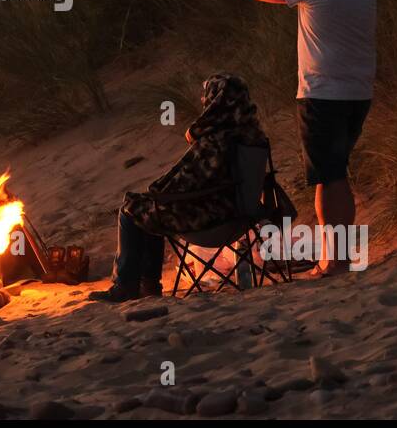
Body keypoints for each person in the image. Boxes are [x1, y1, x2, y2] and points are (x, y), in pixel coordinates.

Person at [243, 0, 376, 277]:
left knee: (327, 178)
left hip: (323, 95)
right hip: (358, 93)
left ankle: (333, 262)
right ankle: (341, 257)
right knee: (337, 174)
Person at [91, 73, 270, 302]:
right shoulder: (252, 134)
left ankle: (126, 285)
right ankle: (148, 285)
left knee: (132, 210)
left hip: (212, 217)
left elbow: (186, 182)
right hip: (241, 214)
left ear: (215, 101)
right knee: (152, 209)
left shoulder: (216, 139)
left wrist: (157, 190)